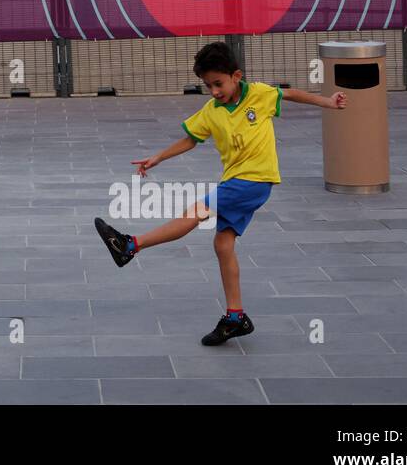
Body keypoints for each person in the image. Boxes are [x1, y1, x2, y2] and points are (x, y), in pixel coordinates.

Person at [94, 42, 348, 346]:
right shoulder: (211, 111)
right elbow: (190, 140)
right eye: (207, 85)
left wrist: (329, 102)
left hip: (254, 180)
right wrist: (158, 158)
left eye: (218, 83)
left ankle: (130, 245)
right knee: (223, 244)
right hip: (237, 181)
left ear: (236, 75)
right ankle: (235, 317)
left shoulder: (259, 95)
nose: (214, 91)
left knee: (195, 212)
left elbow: (290, 93)